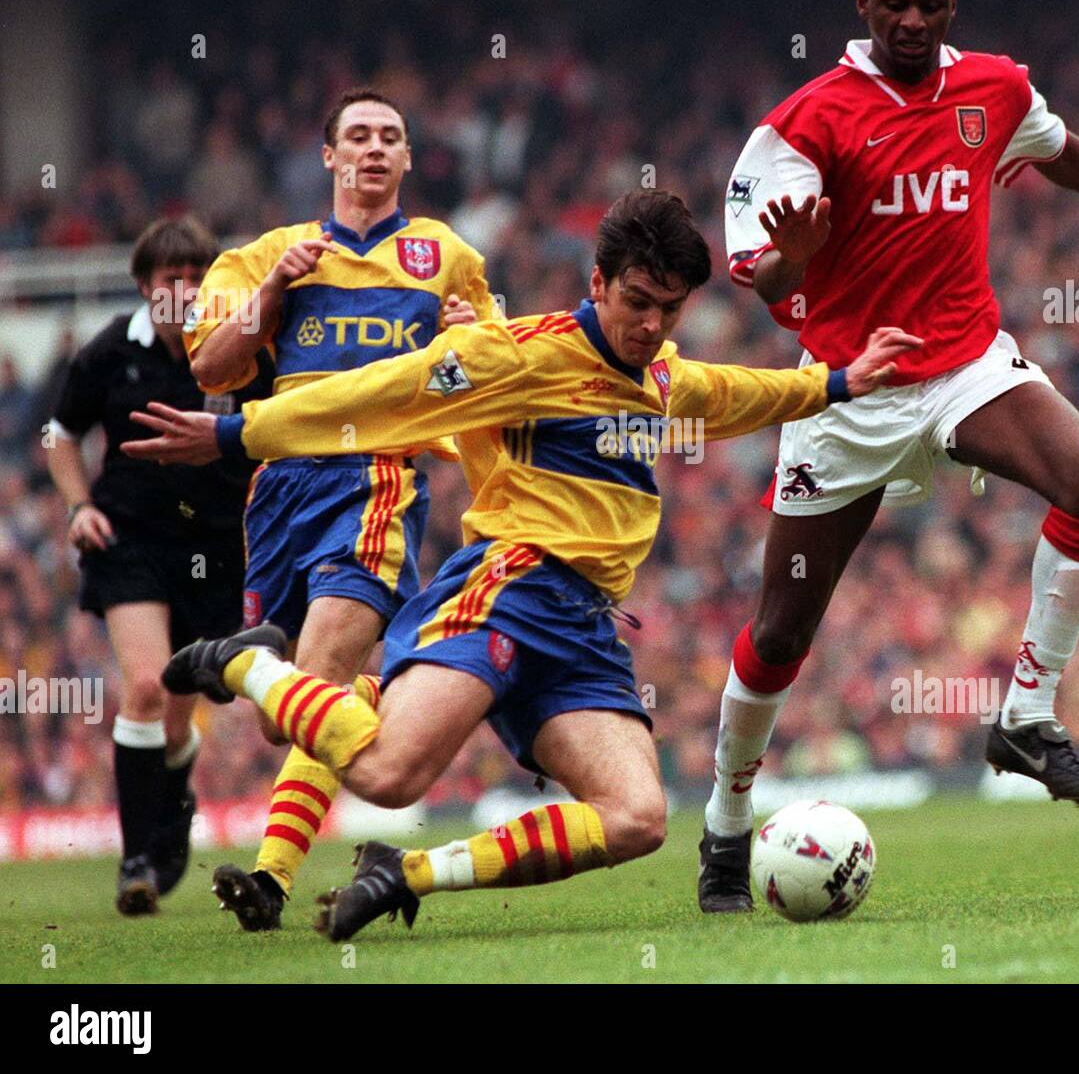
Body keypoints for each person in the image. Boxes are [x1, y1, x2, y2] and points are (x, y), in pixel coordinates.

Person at [122, 189, 919, 941]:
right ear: (598, 282)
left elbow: (735, 393)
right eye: (636, 301)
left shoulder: (664, 375)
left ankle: (409, 872)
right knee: (391, 776)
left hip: (583, 628)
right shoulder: (516, 356)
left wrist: (839, 382)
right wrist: (235, 434)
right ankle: (247, 663)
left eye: (669, 308)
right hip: (506, 589)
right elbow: (379, 392)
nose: (650, 324)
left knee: (638, 818)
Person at [696, 0, 1079, 912]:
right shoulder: (803, 126)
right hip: (848, 392)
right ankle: (726, 823)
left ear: (950, 5)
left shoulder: (992, 89)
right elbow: (760, 274)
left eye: (928, 5)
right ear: (861, 4)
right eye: (892, 3)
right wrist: (795, 259)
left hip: (966, 364)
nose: (910, 21)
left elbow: (1061, 153)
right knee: (779, 632)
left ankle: (1025, 716)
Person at [181, 87, 495, 930]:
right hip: (280, 486)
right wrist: (272, 297)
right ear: (328, 157)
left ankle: (272, 880)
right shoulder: (271, 253)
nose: (375, 148)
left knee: (312, 679)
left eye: (392, 137)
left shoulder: (446, 257)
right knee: (294, 725)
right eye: (358, 135)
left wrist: (466, 342)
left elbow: (490, 389)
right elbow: (212, 371)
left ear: (407, 159)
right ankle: (293, 677)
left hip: (376, 479)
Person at [45, 216, 274, 915]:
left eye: (197, 275)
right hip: (131, 538)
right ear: (145, 285)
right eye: (170, 276)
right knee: (144, 687)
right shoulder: (112, 351)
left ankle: (174, 797)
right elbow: (59, 434)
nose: (184, 288)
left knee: (180, 712)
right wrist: (79, 505)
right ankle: (137, 857)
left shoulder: (240, 354)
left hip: (215, 546)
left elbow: (274, 428)